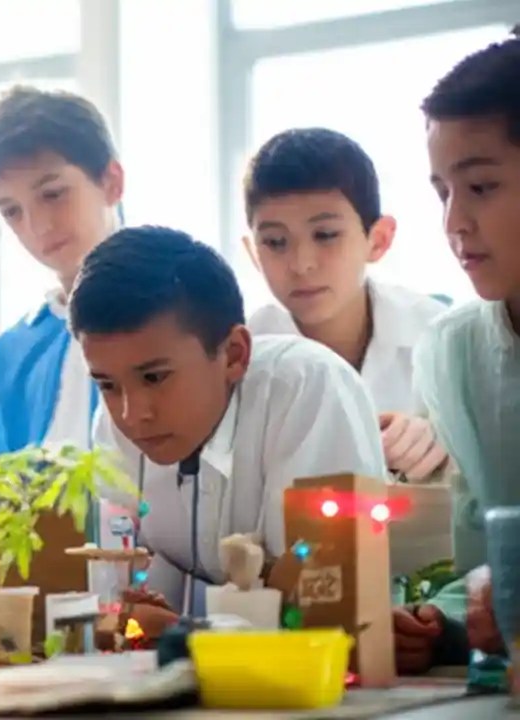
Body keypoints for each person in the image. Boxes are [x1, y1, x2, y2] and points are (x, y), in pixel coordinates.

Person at [74, 226, 386, 634]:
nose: (132, 416)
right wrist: (139, 617)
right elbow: (119, 606)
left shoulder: (307, 390)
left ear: (235, 354)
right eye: (107, 385)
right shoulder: (112, 426)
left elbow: (317, 611)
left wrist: (175, 632)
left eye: (154, 377)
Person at [392, 29, 520, 675]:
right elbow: (481, 559)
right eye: (443, 191)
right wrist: (439, 621)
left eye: (481, 188)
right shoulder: (455, 350)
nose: (453, 224)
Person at [243, 127, 449, 482]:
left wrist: (444, 441)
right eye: (275, 242)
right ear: (253, 253)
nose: (301, 263)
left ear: (378, 240)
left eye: (325, 235)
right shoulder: (239, 361)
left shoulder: (440, 339)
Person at [0, 86, 124, 456]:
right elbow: (6, 501)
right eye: (11, 211)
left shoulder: (184, 315)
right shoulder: (10, 353)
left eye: (53, 194)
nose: (37, 226)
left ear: (111, 182)